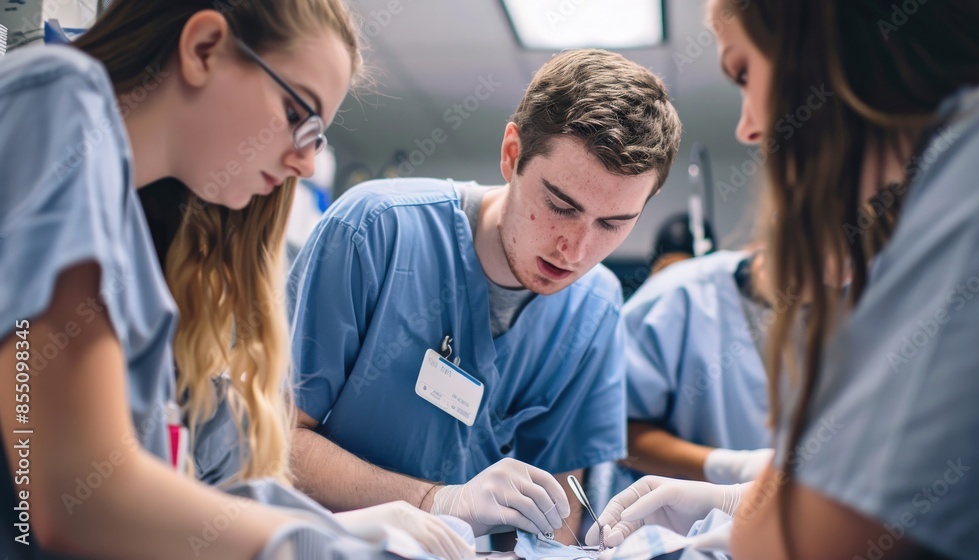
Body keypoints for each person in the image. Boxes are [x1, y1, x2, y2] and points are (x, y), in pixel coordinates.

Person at [0, 1, 472, 558]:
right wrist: (316, 546)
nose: (302, 163)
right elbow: (77, 495)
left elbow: (187, 479)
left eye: (316, 136)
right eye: (299, 113)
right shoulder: (60, 98)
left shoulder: (143, 234)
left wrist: (347, 525)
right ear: (204, 48)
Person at [590, 1, 979, 559]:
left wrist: (747, 500)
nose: (749, 126)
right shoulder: (963, 169)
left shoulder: (978, 175)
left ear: (818, 44)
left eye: (743, 73)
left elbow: (823, 536)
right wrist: (741, 492)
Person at [286, 48, 683, 544]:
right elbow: (277, 440)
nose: (575, 250)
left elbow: (559, 492)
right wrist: (435, 502)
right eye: (561, 206)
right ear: (512, 153)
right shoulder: (374, 232)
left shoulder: (594, 307)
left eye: (612, 224)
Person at [617, 248, 775, 492]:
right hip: (685, 524)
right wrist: (727, 468)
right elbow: (614, 431)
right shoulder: (680, 296)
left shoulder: (851, 306)